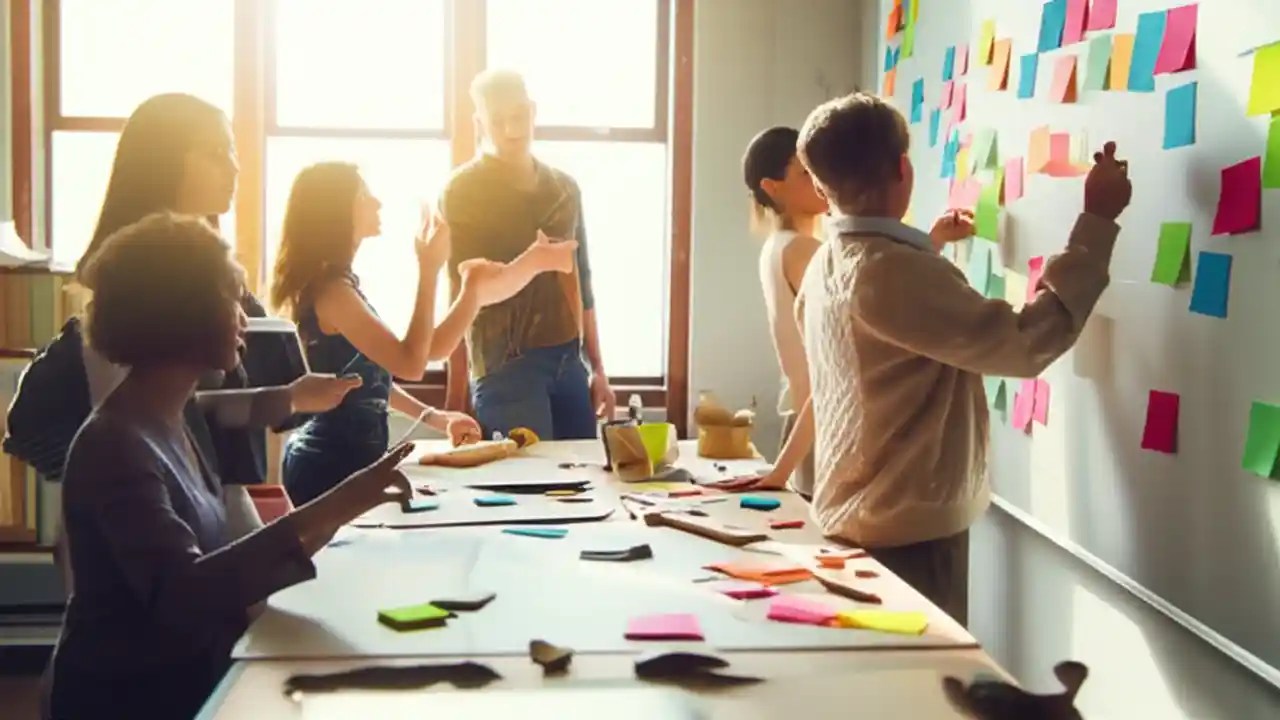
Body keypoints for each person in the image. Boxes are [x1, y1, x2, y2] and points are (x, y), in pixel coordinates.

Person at [42, 213, 417, 720]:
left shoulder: (177, 418)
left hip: (185, 681)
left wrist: (344, 510)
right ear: (180, 311)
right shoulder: (116, 445)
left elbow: (218, 561)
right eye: (229, 297)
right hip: (133, 700)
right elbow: (185, 595)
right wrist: (340, 501)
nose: (243, 317)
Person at [791, 91, 1130, 624]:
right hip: (907, 536)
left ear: (818, 185)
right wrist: (1096, 221)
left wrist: (931, 245)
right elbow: (1025, 344)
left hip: (854, 519)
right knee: (921, 694)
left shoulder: (826, 264)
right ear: (904, 169)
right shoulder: (892, 271)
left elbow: (891, 326)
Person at [270, 162, 578, 505]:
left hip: (353, 461)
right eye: (363, 195)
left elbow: (369, 376)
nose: (376, 203)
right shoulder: (333, 293)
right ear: (338, 211)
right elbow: (411, 363)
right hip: (327, 465)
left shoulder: (341, 285)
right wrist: (429, 269)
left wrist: (433, 416)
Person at [439, 69, 615, 440]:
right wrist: (456, 398)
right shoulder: (463, 191)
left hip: (569, 361)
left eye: (518, 116)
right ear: (479, 123)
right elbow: (461, 294)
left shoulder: (565, 189)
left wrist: (598, 368)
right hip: (505, 367)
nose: (511, 129)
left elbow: (582, 279)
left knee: (581, 486)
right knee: (525, 486)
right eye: (497, 120)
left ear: (533, 111)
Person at [737, 126, 828, 499]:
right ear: (773, 187)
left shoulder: (777, 247)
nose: (819, 179)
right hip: (819, 429)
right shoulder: (804, 251)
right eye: (805, 172)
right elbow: (826, 374)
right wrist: (781, 471)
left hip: (804, 426)